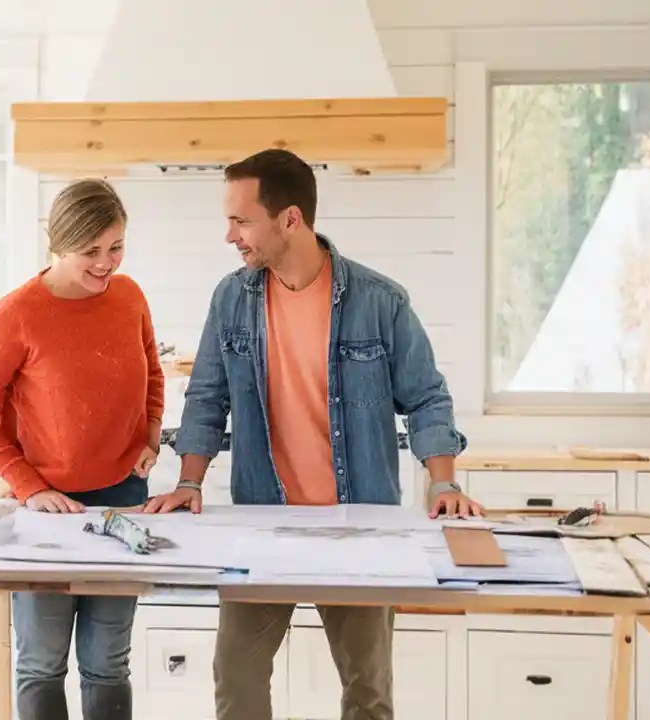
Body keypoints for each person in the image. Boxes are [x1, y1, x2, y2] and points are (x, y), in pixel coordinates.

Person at [143, 148, 483, 720]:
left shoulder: (379, 302)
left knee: (368, 691)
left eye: (241, 220)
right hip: (262, 522)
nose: (230, 235)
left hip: (359, 525)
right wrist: (189, 481)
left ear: (290, 219)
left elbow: (426, 398)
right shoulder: (231, 299)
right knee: (237, 679)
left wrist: (442, 482)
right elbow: (207, 396)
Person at [0, 178, 164, 720]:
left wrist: (150, 433)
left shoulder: (130, 297)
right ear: (58, 243)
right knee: (42, 663)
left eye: (116, 247)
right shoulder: (18, 313)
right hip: (46, 511)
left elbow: (152, 373)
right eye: (90, 251)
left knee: (108, 663)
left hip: (123, 501)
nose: (106, 264)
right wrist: (32, 486)